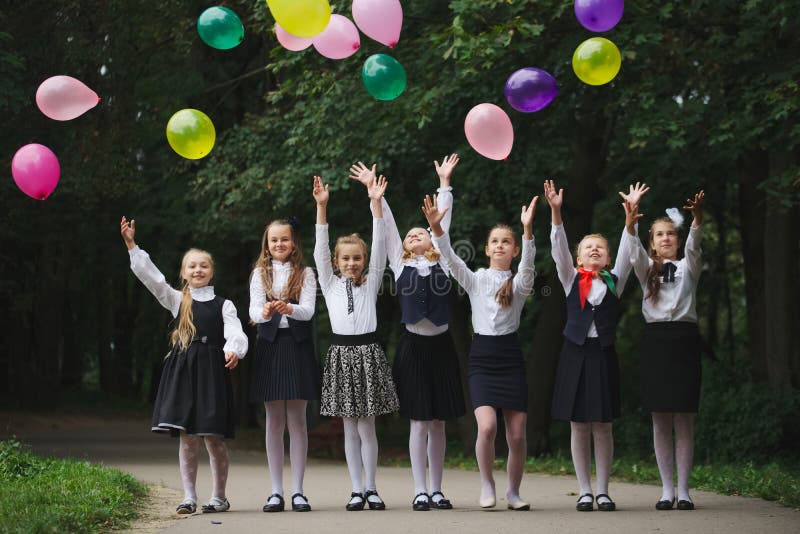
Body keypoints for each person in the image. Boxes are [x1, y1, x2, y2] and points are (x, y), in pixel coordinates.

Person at [348, 155, 466, 511]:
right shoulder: (400, 266)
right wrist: (375, 195)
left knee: (439, 423)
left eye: (422, 233)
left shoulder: (443, 259)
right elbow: (388, 229)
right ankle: (419, 489)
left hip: (441, 346)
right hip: (413, 347)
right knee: (418, 421)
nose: (415, 235)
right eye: (411, 235)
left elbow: (442, 222)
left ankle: (438, 488)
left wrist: (444, 184)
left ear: (432, 242)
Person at [120, 216, 247, 515]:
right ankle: (188, 496)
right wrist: (131, 246)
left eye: (203, 265)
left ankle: (219, 496)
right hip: (184, 374)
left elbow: (236, 331)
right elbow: (153, 280)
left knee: (213, 438)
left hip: (212, 373)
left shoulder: (224, 304)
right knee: (187, 438)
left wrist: (234, 350)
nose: (198, 270)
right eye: (192, 266)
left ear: (211, 271)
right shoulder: (178, 301)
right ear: (184, 273)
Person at [422, 192, 538, 511]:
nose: (500, 245)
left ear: (513, 250)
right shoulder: (476, 280)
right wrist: (437, 230)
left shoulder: (521, 284)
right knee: (487, 426)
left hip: (510, 357)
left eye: (506, 241)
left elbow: (529, 264)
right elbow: (450, 260)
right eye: (495, 241)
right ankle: (487, 484)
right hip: (483, 358)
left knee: (516, 435)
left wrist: (527, 230)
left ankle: (513, 492)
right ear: (487, 249)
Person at [545, 180, 646, 512]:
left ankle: (603, 490)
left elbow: (630, 255)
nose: (594, 250)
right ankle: (584, 490)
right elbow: (558, 248)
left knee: (603, 424)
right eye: (588, 247)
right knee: (579, 423)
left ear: (607, 256)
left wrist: (630, 223)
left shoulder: (614, 280)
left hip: (602, 353)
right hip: (575, 353)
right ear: (578, 256)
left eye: (600, 247)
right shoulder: (570, 277)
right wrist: (556, 213)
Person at [312, 174, 399, 511]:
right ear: (336, 262)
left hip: (368, 354)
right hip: (341, 355)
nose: (351, 263)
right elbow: (320, 248)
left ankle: (373, 487)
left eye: (357, 258)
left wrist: (375, 203)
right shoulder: (330, 284)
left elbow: (379, 245)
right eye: (345, 259)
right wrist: (322, 207)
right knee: (349, 425)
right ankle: (356, 488)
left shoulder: (372, 279)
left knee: (368, 426)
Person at [623, 189, 706, 511]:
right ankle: (666, 489)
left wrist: (697, 218)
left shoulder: (689, 267)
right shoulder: (648, 271)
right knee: (660, 419)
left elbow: (694, 245)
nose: (666, 238)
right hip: (656, 341)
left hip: (683, 339)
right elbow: (633, 254)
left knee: (684, 418)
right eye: (659, 234)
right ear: (653, 242)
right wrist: (630, 223)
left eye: (671, 233)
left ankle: (684, 491)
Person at [249, 219, 319, 512]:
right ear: (267, 244)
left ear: (294, 243)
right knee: (274, 420)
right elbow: (253, 311)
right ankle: (276, 491)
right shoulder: (259, 274)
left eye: (285, 240)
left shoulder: (306, 272)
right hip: (270, 346)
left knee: (298, 420)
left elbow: (309, 311)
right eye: (274, 240)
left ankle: (298, 491)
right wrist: (264, 311)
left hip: (297, 344)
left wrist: (290, 308)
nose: (279, 245)